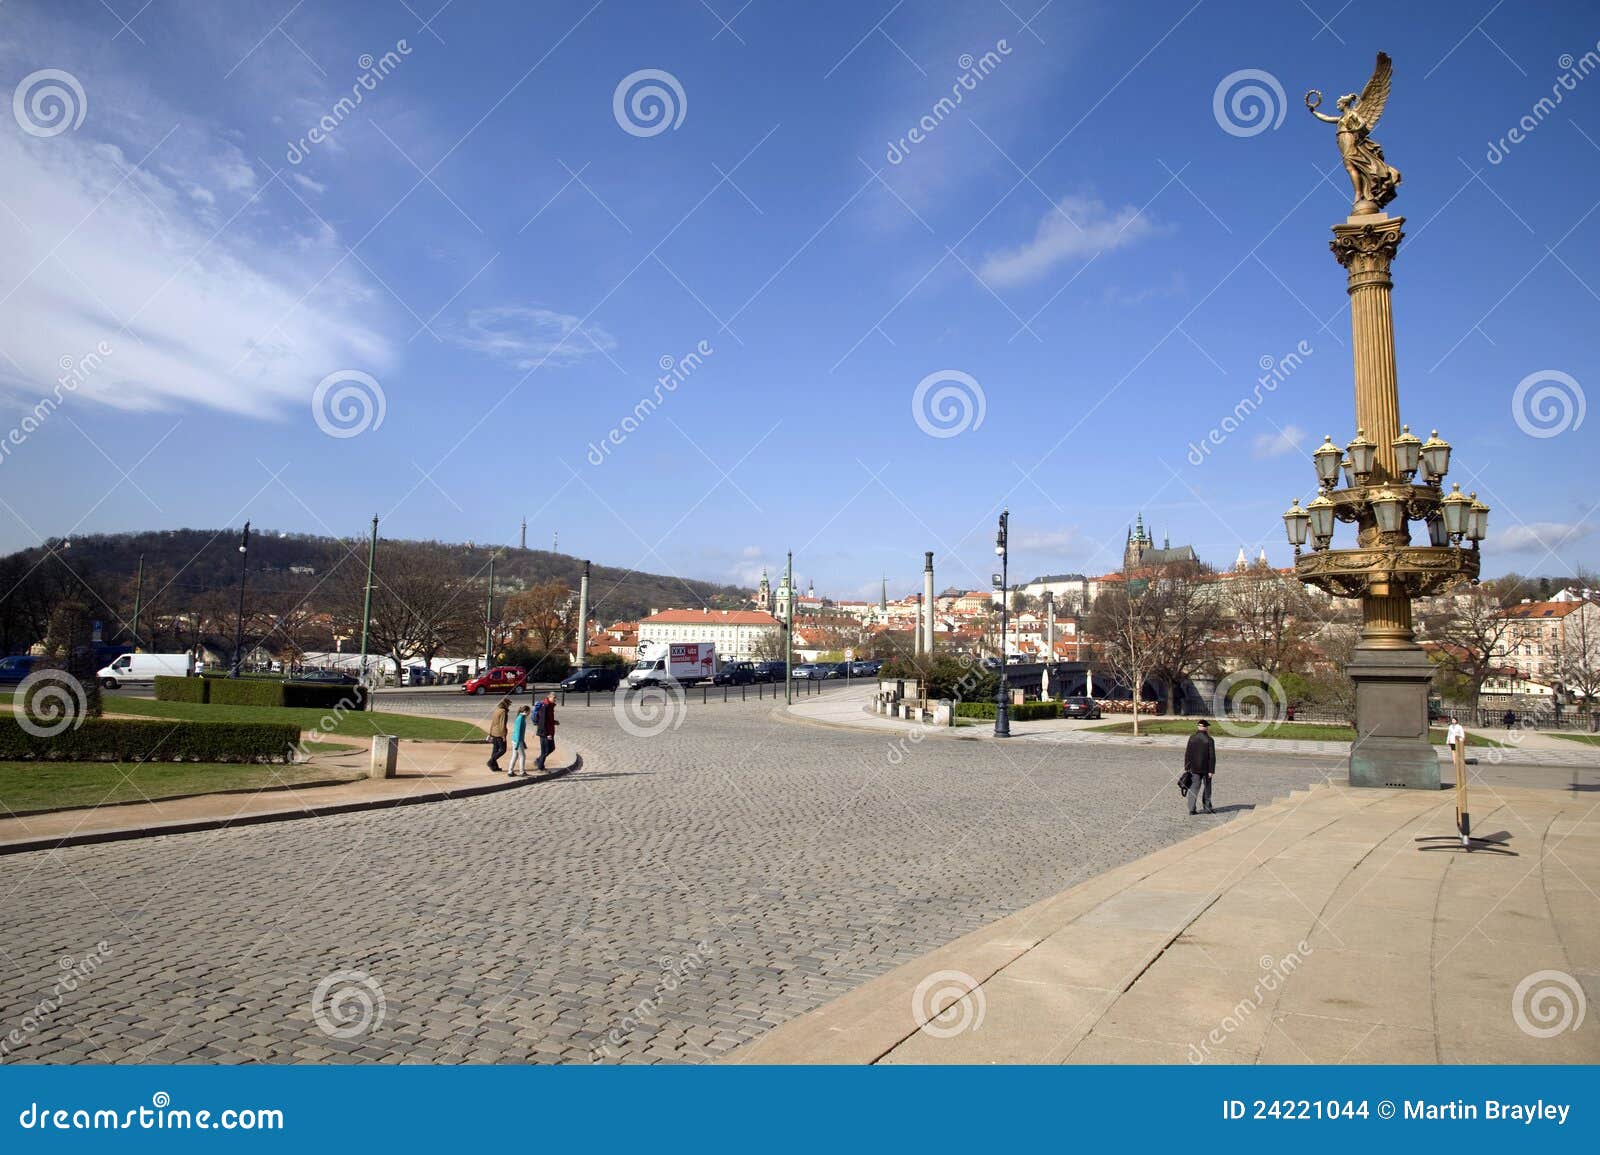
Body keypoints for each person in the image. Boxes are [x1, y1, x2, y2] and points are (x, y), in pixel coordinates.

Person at [1184, 719, 1216, 815]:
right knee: (1207, 788)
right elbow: (1212, 756)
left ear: (1198, 727)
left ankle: (1191, 809)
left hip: (1194, 768)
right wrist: (1211, 770)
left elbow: (1188, 753)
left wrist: (1187, 766)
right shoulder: (1209, 740)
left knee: (1194, 787)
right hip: (1206, 769)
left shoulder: (1192, 738)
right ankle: (1207, 808)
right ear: (1206, 728)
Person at [535, 691, 558, 772]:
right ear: (549, 697)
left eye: (556, 698)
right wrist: (547, 734)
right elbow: (542, 722)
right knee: (545, 750)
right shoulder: (545, 706)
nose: (555, 699)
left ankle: (539, 760)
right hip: (545, 733)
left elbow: (548, 719)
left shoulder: (550, 706)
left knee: (551, 748)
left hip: (550, 732)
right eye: (554, 698)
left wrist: (554, 721)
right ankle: (540, 767)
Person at [487, 697, 511, 772]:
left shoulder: (497, 710)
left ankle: (494, 766)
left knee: (495, 750)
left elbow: (493, 722)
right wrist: (503, 735)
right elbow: (502, 724)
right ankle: (491, 761)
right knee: (503, 750)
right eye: (509, 704)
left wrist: (490, 733)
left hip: (494, 732)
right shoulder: (503, 711)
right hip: (499, 733)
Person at [507, 704, 531, 777]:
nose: (529, 713)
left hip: (516, 740)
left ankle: (510, 771)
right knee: (522, 756)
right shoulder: (521, 719)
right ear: (525, 711)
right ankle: (522, 771)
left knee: (515, 756)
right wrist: (518, 744)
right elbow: (518, 732)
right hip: (517, 740)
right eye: (528, 712)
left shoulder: (521, 717)